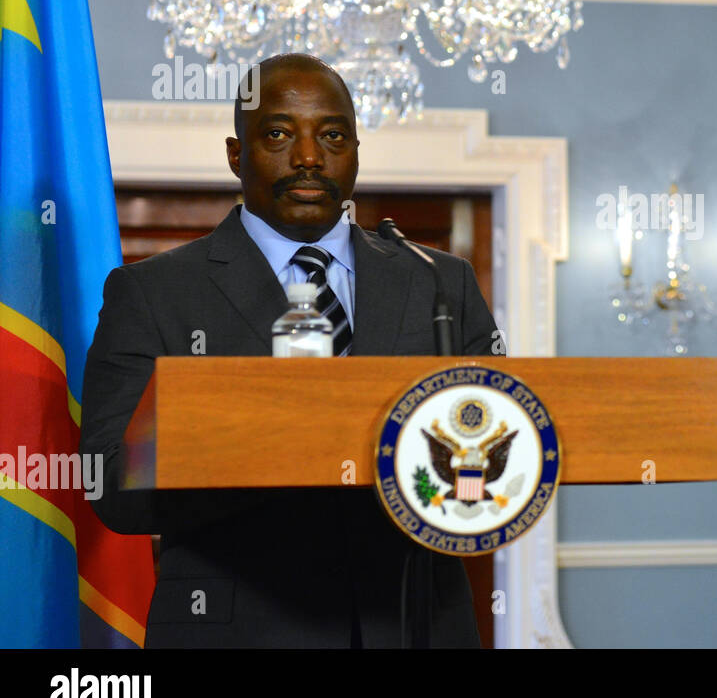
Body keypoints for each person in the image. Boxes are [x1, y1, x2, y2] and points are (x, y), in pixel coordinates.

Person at [81, 53, 498, 647]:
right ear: (235, 154)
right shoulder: (154, 293)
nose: (308, 157)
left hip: (418, 627)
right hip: (239, 631)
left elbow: (500, 440)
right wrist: (277, 449)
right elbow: (109, 483)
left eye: (332, 135)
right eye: (278, 133)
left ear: (355, 151)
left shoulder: (438, 280)